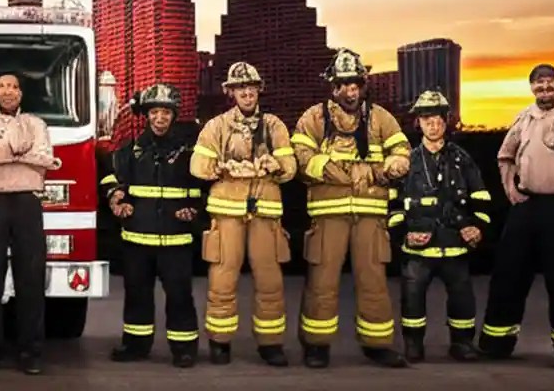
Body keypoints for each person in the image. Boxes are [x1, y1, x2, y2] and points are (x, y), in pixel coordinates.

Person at [292, 48, 411, 368]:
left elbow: (401, 150)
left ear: (363, 84)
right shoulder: (314, 118)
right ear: (333, 87)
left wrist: (393, 165)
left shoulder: (381, 118)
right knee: (322, 280)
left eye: (356, 83)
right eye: (344, 84)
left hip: (371, 215)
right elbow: (300, 159)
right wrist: (331, 168)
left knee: (373, 279)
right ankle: (316, 345)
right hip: (328, 214)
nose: (351, 90)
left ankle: (378, 344)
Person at [191, 62, 295, 366]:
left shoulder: (274, 125)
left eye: (251, 87)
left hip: (265, 213)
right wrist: (219, 168)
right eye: (240, 88)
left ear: (258, 90)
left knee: (270, 279)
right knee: (222, 278)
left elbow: (290, 167)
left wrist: (277, 166)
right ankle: (220, 342)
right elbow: (197, 165)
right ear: (231, 92)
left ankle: (271, 343)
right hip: (227, 215)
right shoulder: (217, 126)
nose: (246, 93)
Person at [478, 64, 554, 367]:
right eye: (540, 85)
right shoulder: (524, 118)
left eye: (551, 84)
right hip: (527, 205)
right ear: (532, 87)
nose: (545, 90)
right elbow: (505, 156)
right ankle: (497, 342)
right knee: (509, 271)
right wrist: (511, 191)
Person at [100, 83, 202, 368]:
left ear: (174, 115)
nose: (159, 118)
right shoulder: (130, 151)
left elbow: (203, 187)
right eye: (155, 112)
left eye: (165, 113)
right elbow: (110, 178)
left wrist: (193, 210)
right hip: (137, 239)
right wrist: (115, 198)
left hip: (176, 241)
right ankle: (135, 345)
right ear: (146, 115)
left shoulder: (189, 153)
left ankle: (184, 349)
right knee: (137, 294)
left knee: (180, 296)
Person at [388, 90, 489, 363]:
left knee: (462, 297)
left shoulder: (462, 159)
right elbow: (392, 205)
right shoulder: (406, 161)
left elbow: (481, 197)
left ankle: (462, 343)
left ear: (447, 122)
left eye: (438, 119)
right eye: (427, 119)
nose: (433, 125)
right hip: (417, 249)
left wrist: (477, 226)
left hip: (455, 245)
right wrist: (403, 236)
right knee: (412, 298)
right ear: (417, 123)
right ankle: (413, 344)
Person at [0, 73, 60, 376]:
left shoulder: (37, 124)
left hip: (27, 204)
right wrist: (20, 153)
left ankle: (30, 352)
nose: (7, 91)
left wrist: (2, 153)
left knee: (31, 280)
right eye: (1, 86)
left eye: (13, 87)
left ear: (21, 93)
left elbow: (45, 159)